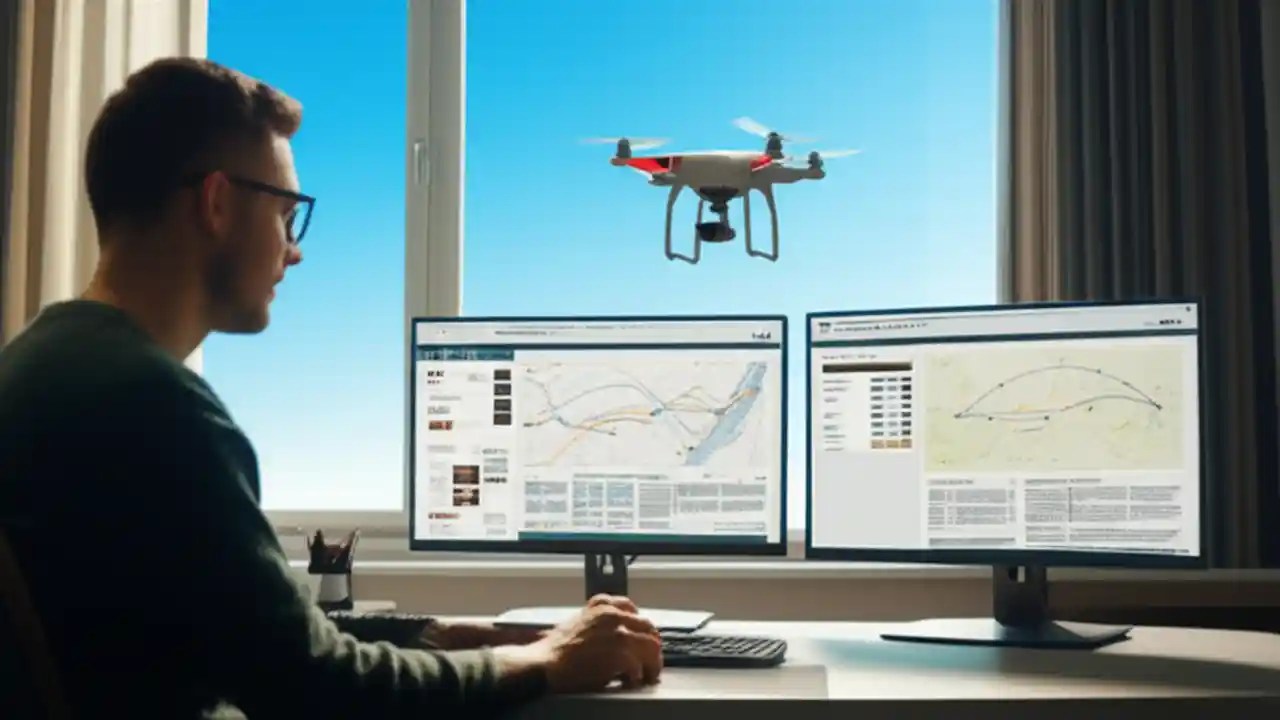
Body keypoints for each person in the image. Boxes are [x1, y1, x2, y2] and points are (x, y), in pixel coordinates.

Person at [0, 57, 662, 718]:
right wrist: (542, 662)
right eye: (288, 215)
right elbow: (317, 688)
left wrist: (450, 636)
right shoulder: (155, 407)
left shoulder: (45, 367)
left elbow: (263, 642)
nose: (295, 251)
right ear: (218, 202)